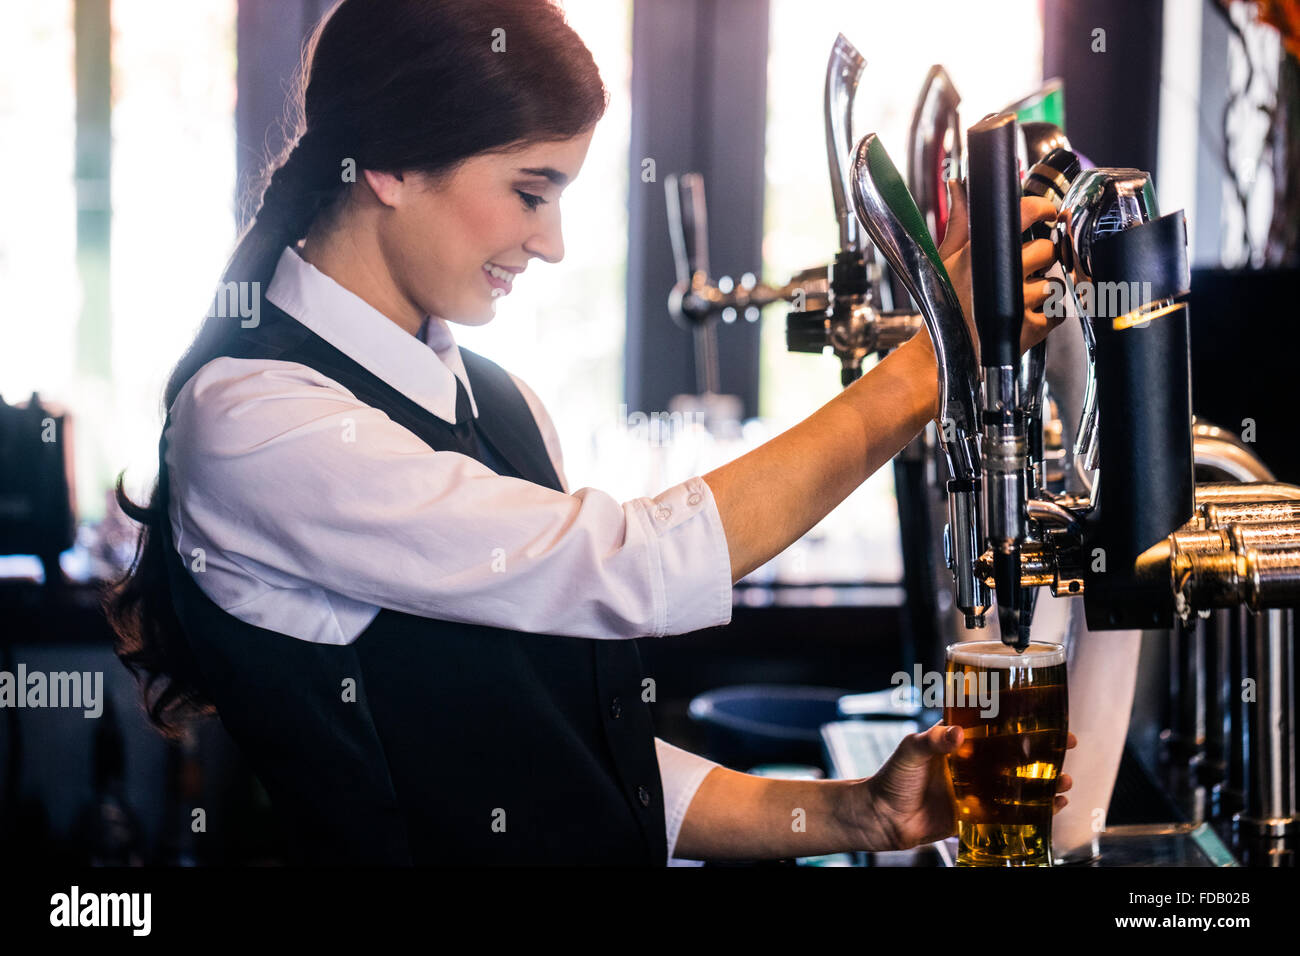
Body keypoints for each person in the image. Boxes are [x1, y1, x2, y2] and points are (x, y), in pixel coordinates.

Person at [106, 0, 1073, 865]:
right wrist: (927, 365)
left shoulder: (501, 403)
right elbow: (632, 567)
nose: (552, 241)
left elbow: (575, 762)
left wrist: (856, 815)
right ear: (392, 163)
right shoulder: (258, 421)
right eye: (532, 190)